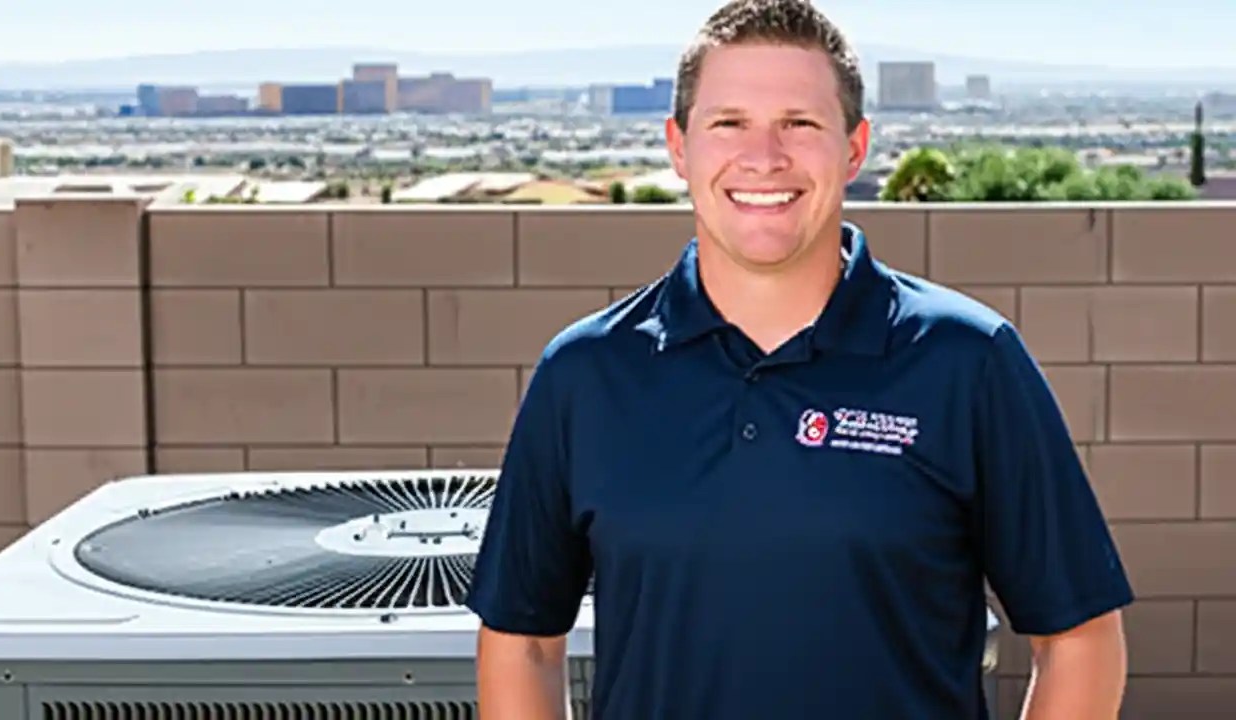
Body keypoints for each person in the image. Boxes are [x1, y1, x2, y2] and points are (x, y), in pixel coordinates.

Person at [464, 0, 1134, 717]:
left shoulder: (968, 360)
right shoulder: (585, 374)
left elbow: (1079, 638)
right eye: (729, 123)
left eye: (799, 123)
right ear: (678, 147)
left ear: (853, 147)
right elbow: (524, 644)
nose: (764, 157)